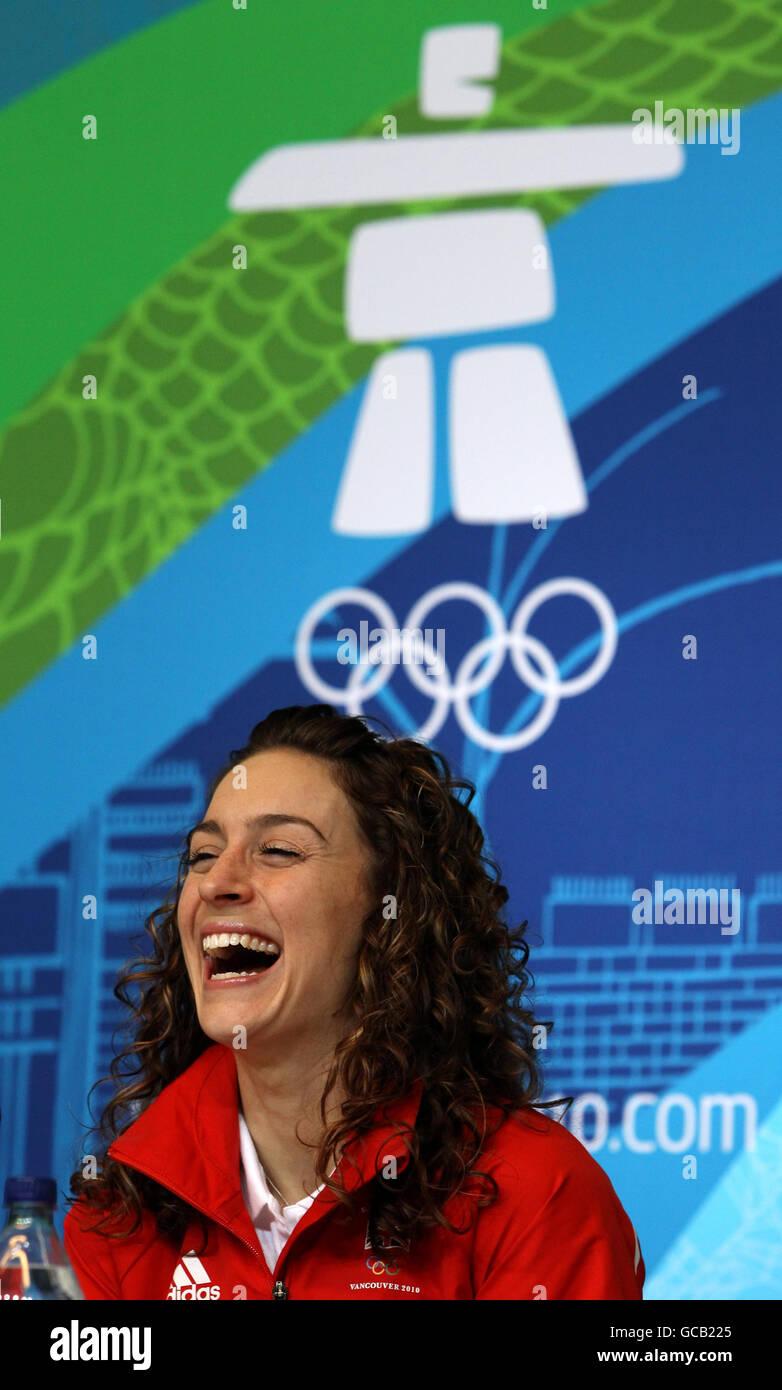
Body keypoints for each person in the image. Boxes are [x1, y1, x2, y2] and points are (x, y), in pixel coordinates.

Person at [64, 703, 644, 1300]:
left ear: (392, 912)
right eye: (203, 856)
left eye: (280, 851)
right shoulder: (117, 1218)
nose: (216, 882)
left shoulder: (533, 1190)